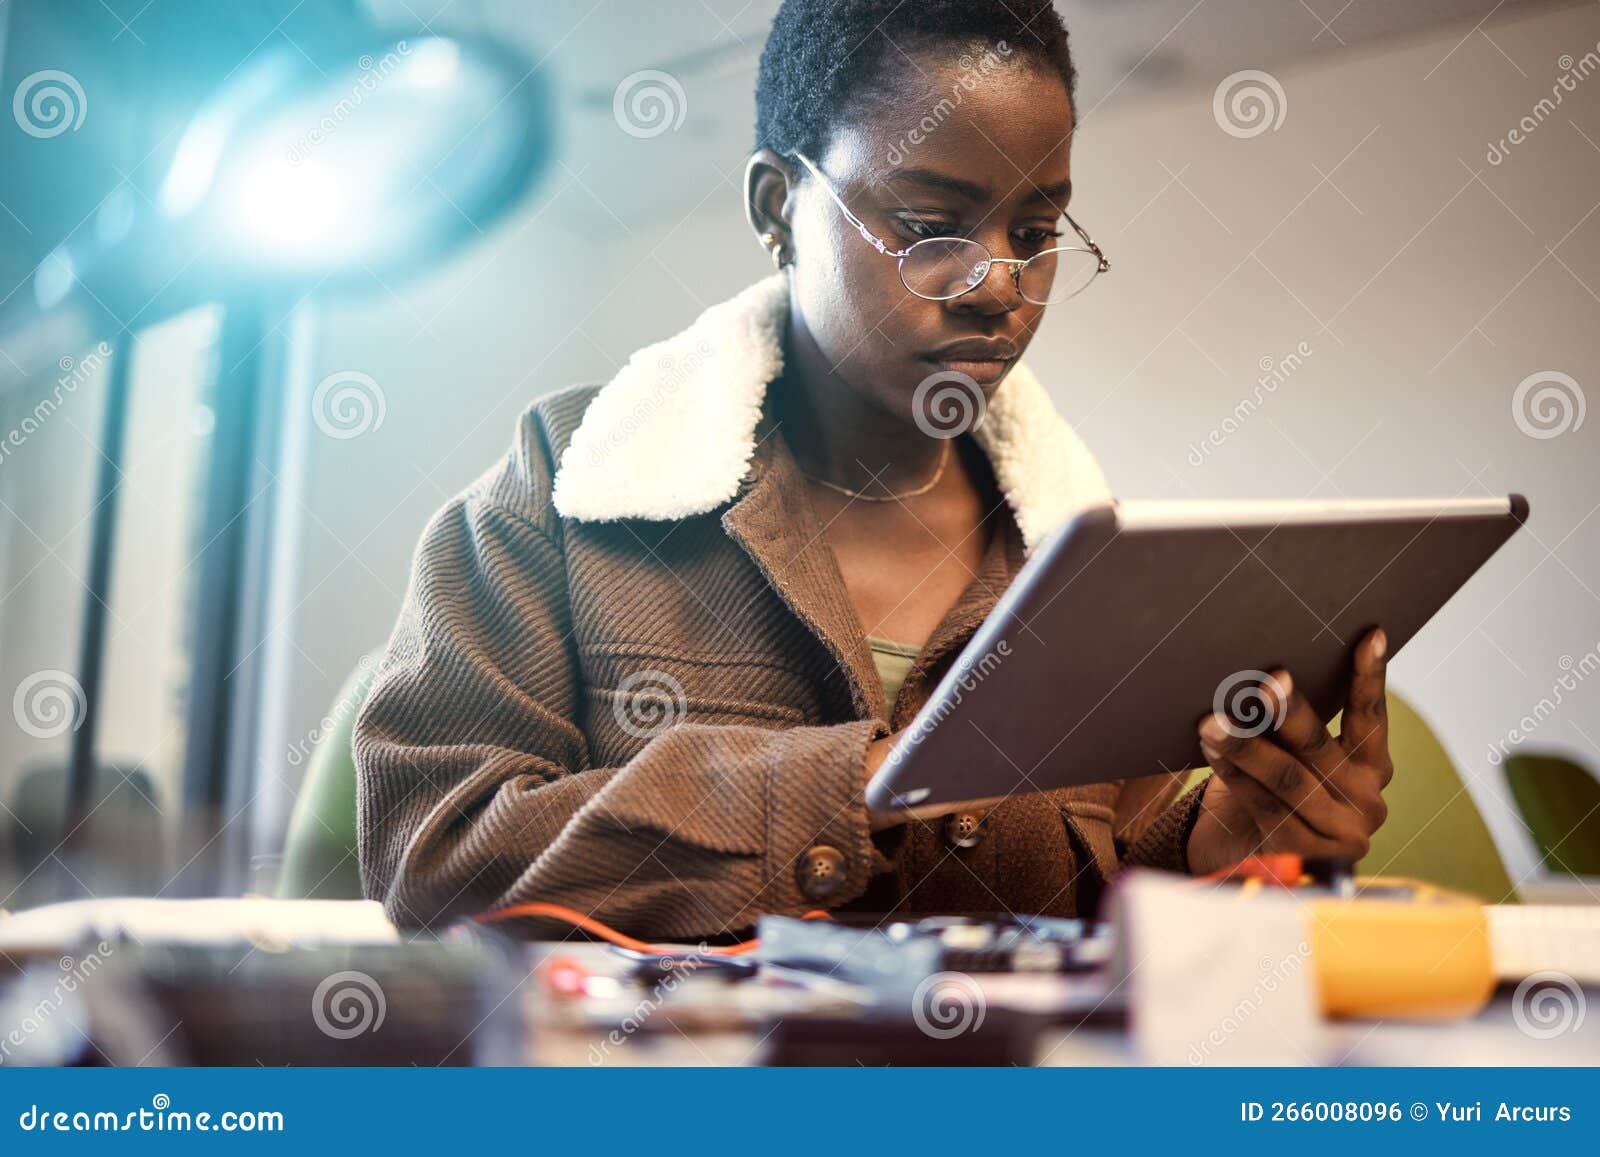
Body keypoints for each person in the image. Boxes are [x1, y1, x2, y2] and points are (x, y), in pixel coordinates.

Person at [355, 0, 1392, 937]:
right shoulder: (571, 483)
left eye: (1035, 231)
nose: (999, 287)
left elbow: (1098, 911)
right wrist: (854, 787)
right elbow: (432, 855)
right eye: (930, 226)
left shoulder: (1087, 565)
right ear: (777, 206)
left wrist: (1217, 849)